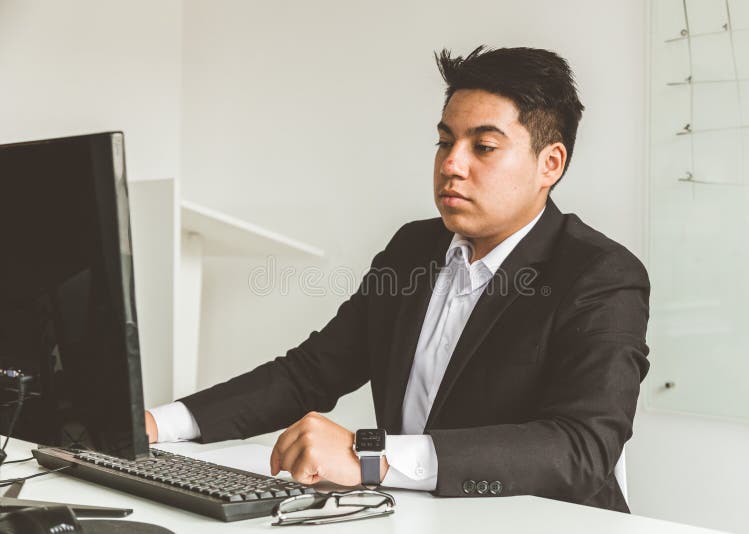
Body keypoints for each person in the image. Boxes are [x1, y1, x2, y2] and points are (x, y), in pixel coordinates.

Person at [146, 45, 649, 513]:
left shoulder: (601, 274)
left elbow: (582, 449)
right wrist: (158, 424)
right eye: (445, 141)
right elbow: (310, 372)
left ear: (550, 164)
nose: (451, 164)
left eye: (484, 147)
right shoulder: (413, 249)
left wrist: (373, 457)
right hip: (415, 518)